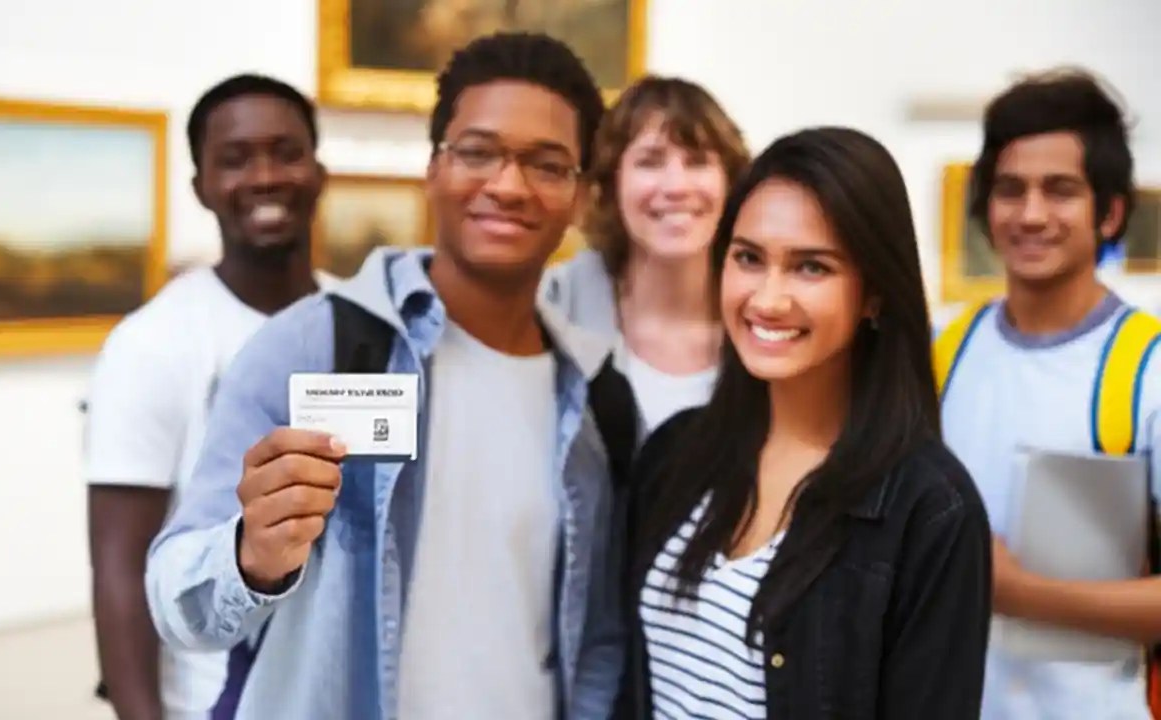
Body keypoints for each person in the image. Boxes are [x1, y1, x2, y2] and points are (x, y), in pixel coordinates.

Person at [144, 32, 629, 720]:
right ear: (433, 169)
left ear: (578, 195)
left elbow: (598, 635)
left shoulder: (593, 391)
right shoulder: (315, 343)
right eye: (478, 152)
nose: (508, 185)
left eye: (547, 164)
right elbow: (177, 601)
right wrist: (251, 555)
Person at [617, 127, 993, 719]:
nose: (766, 299)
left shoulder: (930, 508)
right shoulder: (675, 454)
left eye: (810, 268)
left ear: (873, 294)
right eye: (748, 258)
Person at [84, 73, 333, 720]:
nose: (266, 175)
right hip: (217, 700)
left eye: (286, 151)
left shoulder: (359, 319)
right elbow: (118, 569)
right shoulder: (151, 345)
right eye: (235, 158)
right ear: (200, 186)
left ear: (318, 169)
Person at [934, 68, 1161, 719]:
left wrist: (1020, 592)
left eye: (1059, 191)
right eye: (1010, 190)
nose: (1031, 214)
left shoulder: (1146, 368)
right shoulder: (942, 353)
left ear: (1110, 210)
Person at [542, 76, 751, 436]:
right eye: (650, 162)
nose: (676, 187)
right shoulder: (552, 308)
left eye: (697, 162)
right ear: (611, 182)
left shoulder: (766, 315)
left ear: (730, 182)